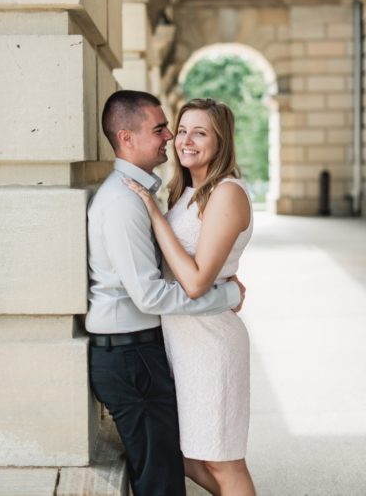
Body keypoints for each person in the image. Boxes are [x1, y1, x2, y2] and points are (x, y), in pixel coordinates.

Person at [86, 89, 246, 496]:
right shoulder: (145, 196)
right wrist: (225, 296)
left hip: (202, 340)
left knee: (218, 460)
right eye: (174, 130)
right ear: (126, 137)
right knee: (188, 459)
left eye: (200, 134)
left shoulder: (213, 192)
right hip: (164, 341)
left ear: (221, 142)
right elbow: (155, 292)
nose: (178, 141)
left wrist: (156, 213)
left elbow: (189, 279)